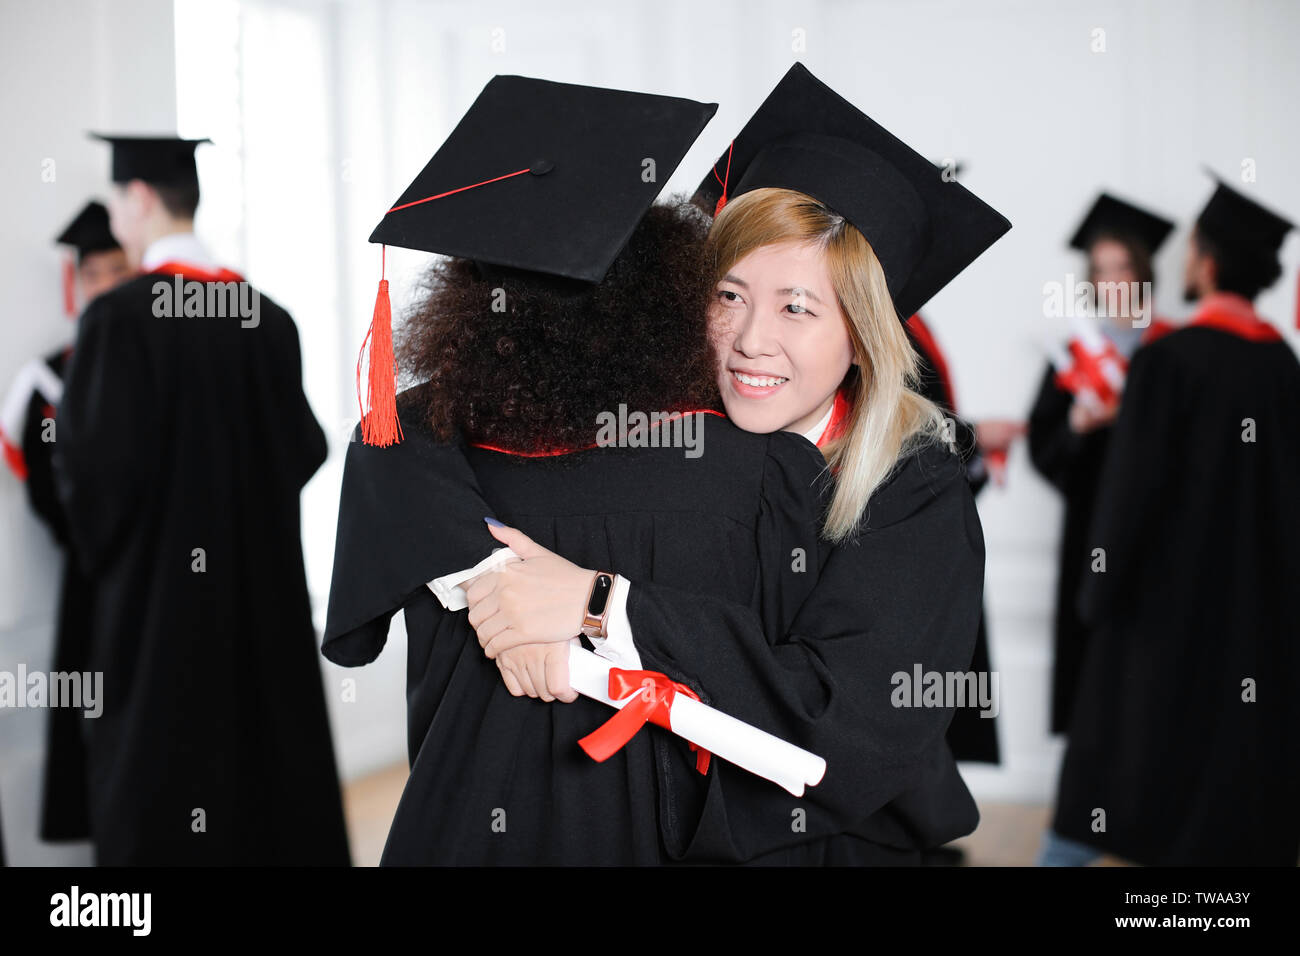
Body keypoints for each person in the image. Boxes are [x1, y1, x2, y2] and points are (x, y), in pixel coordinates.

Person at [432, 64, 1012, 863]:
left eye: (797, 308)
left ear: (864, 335)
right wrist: (508, 600)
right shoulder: (663, 436)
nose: (751, 339)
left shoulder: (912, 483)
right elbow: (439, 431)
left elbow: (846, 721)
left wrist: (600, 605)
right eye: (728, 294)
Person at [53, 134, 350, 865]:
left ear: (141, 198)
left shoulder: (117, 321)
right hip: (262, 611)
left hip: (156, 625)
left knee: (160, 800)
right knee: (265, 791)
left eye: (121, 200)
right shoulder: (266, 318)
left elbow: (92, 483)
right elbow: (304, 448)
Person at [1047, 173, 1300, 865]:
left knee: (1107, 789)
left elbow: (1128, 502)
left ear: (1207, 261)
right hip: (1256, 625)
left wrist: (1096, 601)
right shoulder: (1283, 367)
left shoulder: (1168, 361)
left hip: (1159, 623)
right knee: (1222, 803)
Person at [1, 201, 131, 846]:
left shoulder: (151, 362)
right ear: (76, 284)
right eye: (94, 274)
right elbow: (34, 468)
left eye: (118, 270)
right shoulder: (48, 377)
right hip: (89, 573)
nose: (106, 285)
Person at [1029, 193, 1176, 736]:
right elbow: (1043, 442)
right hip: (1092, 523)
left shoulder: (1172, 351)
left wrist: (1132, 418)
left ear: (1143, 271)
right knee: (1092, 652)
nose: (1113, 280)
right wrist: (1077, 428)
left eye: (1122, 267)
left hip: (1162, 531)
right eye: (1101, 269)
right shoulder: (1075, 351)